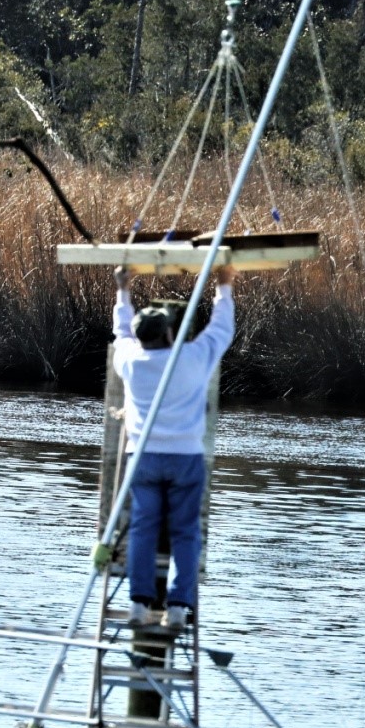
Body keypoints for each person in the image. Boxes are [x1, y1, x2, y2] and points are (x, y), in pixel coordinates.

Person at [111, 263, 236, 629]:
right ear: (169, 333)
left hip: (143, 458)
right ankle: (178, 607)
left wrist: (122, 290)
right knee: (185, 532)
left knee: (142, 529)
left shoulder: (130, 360)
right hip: (184, 458)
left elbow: (121, 331)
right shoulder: (192, 358)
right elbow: (221, 330)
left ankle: (138, 604)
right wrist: (224, 285)